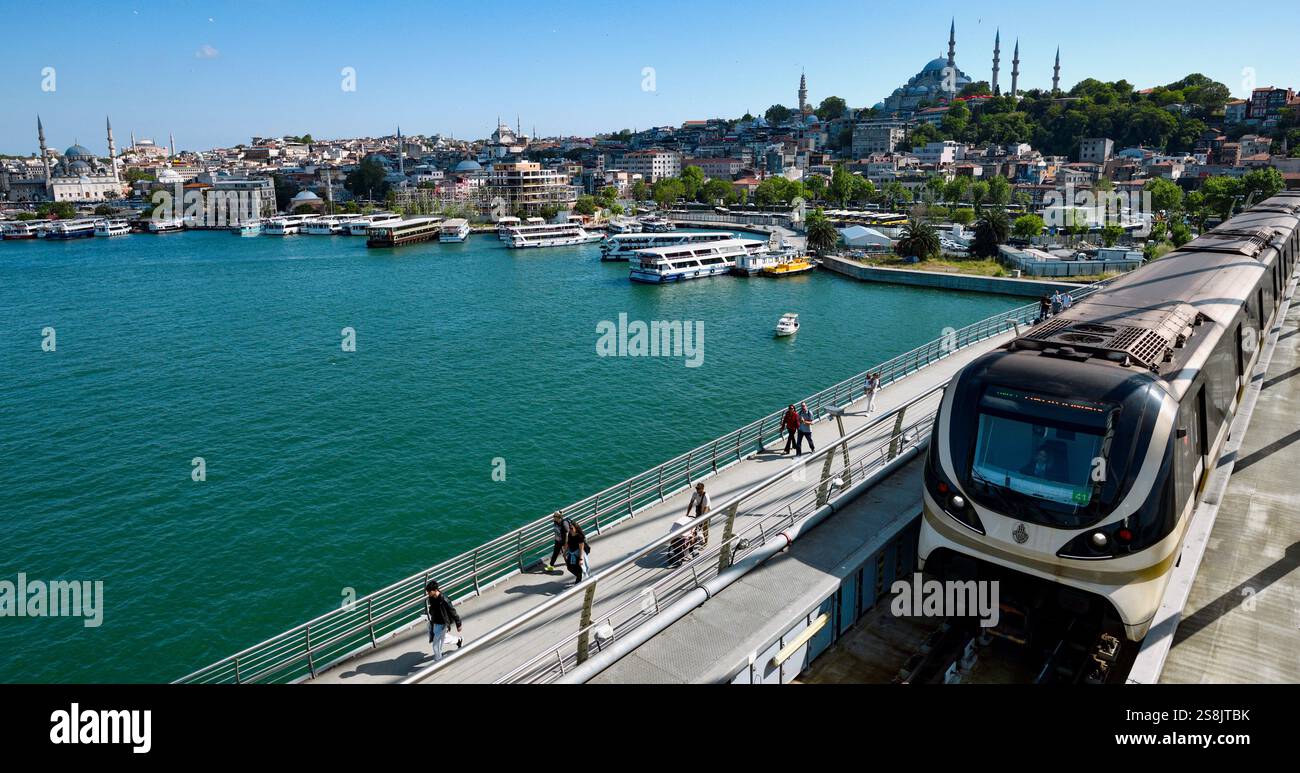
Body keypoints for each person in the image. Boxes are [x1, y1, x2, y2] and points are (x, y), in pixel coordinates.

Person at [424, 581, 462, 662]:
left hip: (442, 623)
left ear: (435, 590)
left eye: (429, 592)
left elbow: (452, 611)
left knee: (436, 643)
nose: (428, 594)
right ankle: (458, 640)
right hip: (435, 621)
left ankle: (438, 661)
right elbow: (432, 608)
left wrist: (458, 624)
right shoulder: (431, 597)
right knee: (442, 638)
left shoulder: (444, 599)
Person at [564, 520, 590, 585]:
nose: (570, 530)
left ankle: (579, 579)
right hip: (572, 553)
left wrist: (581, 559)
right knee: (569, 567)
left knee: (579, 567)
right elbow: (568, 543)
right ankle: (579, 576)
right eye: (569, 528)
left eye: (572, 528)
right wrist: (564, 552)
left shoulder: (580, 537)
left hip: (579, 554)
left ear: (575, 528)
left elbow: (581, 549)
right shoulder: (570, 534)